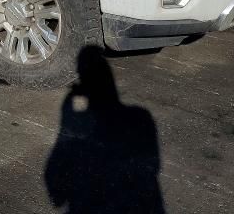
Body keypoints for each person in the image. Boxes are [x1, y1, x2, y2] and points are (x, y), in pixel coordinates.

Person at [44, 46, 165, 213]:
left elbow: (56, 184)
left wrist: (69, 107)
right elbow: (153, 165)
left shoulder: (138, 117)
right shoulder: (140, 116)